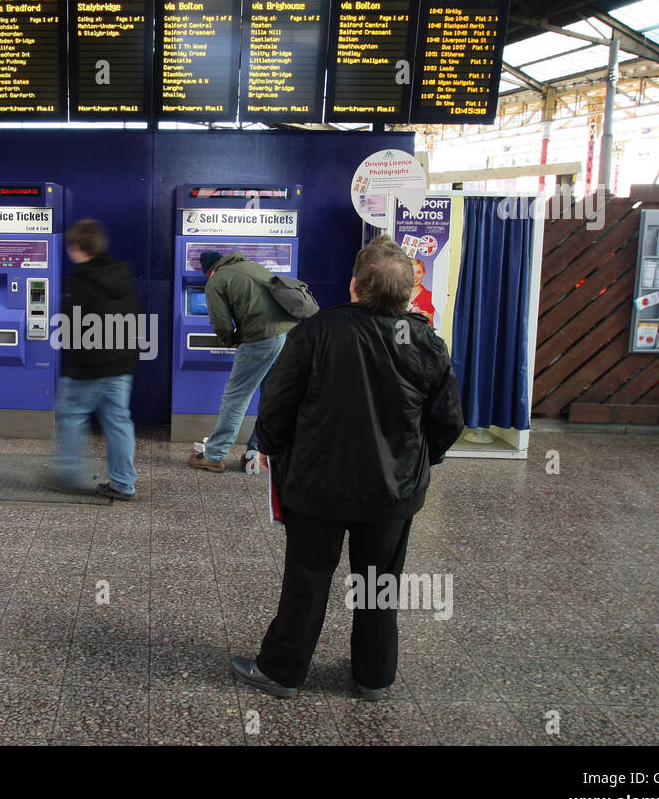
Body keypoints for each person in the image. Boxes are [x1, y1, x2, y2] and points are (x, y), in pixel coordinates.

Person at [231, 237, 464, 700]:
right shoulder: (425, 342)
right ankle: (373, 675)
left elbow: (278, 401)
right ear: (408, 292)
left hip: (318, 487)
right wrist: (419, 461)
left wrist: (270, 447)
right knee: (379, 583)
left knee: (307, 578)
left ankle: (282, 671)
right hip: (392, 493)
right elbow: (447, 422)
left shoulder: (317, 331)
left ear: (355, 285)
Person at [53, 219, 141, 501]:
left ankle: (68, 474)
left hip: (87, 369)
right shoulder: (123, 275)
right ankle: (123, 484)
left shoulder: (79, 281)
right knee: (118, 424)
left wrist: (74, 366)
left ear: (77, 247)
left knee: (70, 416)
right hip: (121, 366)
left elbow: (71, 327)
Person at [188, 250, 297, 473]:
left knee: (235, 396)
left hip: (260, 338)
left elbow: (221, 322)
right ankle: (255, 453)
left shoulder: (216, 280)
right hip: (286, 335)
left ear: (209, 271)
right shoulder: (252, 267)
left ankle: (215, 455)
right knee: (269, 396)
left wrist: (231, 340)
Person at [409, 257, 434, 323]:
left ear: (424, 274)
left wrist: (428, 317)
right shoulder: (399, 294)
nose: (415, 276)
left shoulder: (430, 296)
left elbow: (432, 325)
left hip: (421, 332)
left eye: (419, 272)